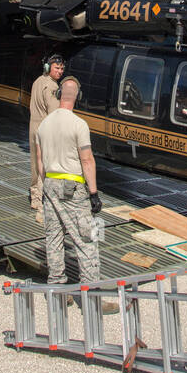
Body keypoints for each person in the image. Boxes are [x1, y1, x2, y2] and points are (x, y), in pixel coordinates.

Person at [35, 77, 115, 312]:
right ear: (77, 97)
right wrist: (93, 193)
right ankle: (91, 299)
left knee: (54, 239)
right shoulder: (79, 124)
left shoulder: (43, 125)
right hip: (74, 189)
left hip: (50, 184)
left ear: (59, 94)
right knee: (87, 241)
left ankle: (57, 292)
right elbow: (87, 159)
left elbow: (40, 163)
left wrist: (45, 186)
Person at [28, 54, 65, 223]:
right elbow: (54, 113)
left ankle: (35, 198)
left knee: (35, 163)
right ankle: (42, 201)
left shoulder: (37, 81)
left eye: (62, 68)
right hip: (45, 127)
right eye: (57, 68)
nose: (60, 71)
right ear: (48, 68)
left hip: (33, 125)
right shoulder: (51, 87)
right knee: (45, 165)